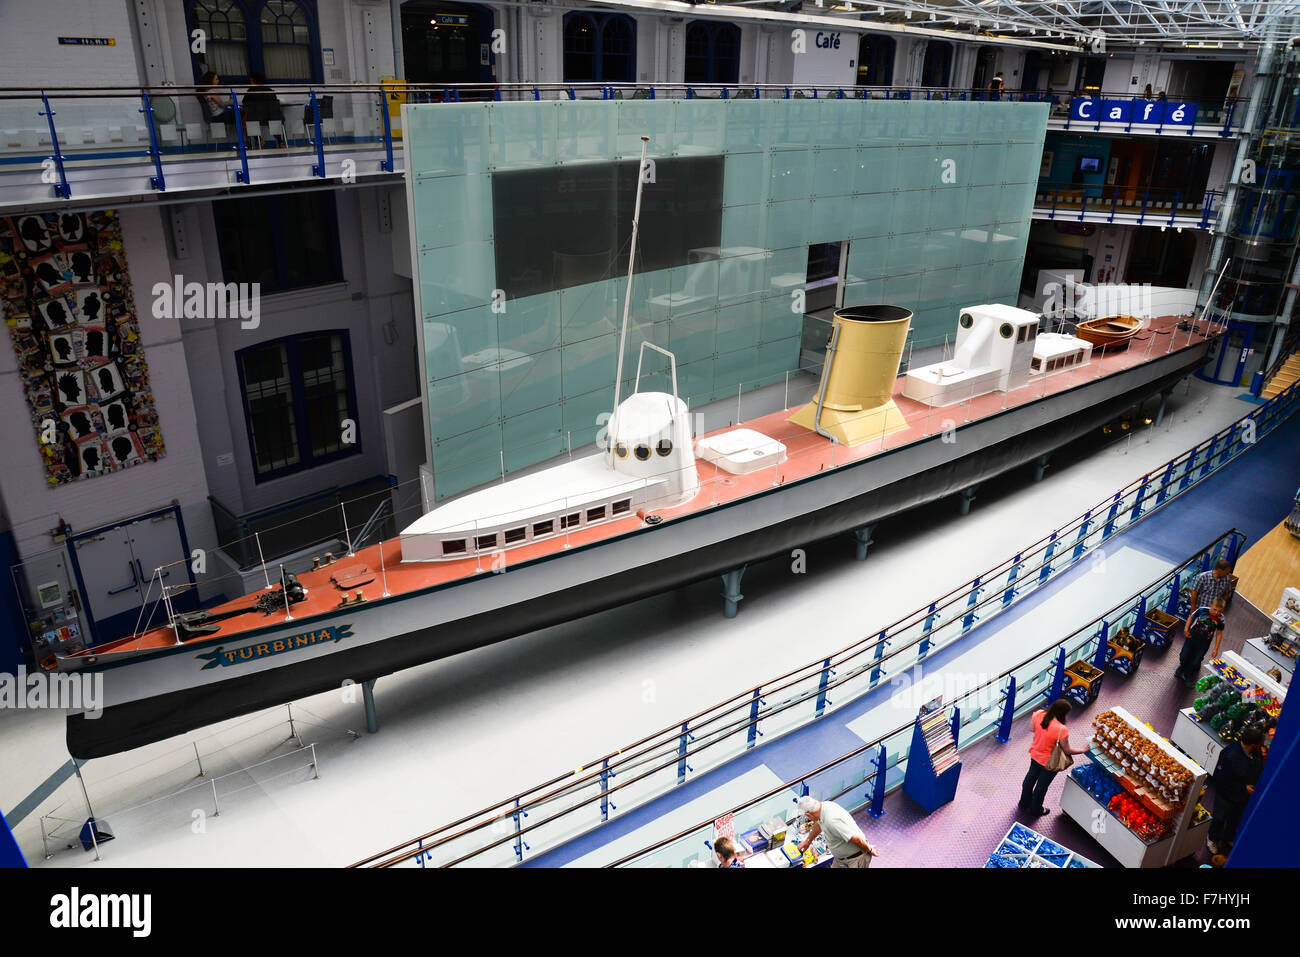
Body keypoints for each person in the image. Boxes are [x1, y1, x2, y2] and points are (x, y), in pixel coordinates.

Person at [1018, 699, 1089, 816]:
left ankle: (1024, 803)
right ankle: (1036, 809)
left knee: (1029, 779)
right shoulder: (1061, 729)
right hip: (1050, 763)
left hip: (1035, 755)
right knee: (1041, 787)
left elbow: (1032, 729)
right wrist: (1082, 750)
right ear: (1063, 713)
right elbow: (1067, 750)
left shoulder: (1038, 714)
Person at [1207, 727, 1265, 856]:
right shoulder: (1229, 755)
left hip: (1243, 797)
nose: (1261, 747)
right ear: (1253, 745)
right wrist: (1243, 788)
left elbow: (1258, 766)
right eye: (1260, 745)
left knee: (1235, 819)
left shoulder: (1256, 752)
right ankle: (1212, 839)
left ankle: (1228, 837)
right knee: (1219, 819)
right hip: (1226, 796)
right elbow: (1220, 780)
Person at [796, 796, 880, 868]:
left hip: (856, 858)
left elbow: (856, 839)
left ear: (809, 814)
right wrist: (808, 841)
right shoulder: (823, 807)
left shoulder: (832, 821)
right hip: (840, 858)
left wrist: (869, 849)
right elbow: (819, 823)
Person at [1175, 596, 1226, 685]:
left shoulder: (1221, 618)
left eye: (1219, 611)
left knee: (1196, 660)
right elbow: (1191, 617)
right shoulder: (1202, 610)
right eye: (1214, 609)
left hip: (1205, 642)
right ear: (1211, 606)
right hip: (1192, 636)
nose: (1216, 613)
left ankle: (1187, 675)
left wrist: (1216, 648)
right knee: (1184, 655)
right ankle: (1182, 667)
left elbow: (1219, 633)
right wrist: (1186, 629)